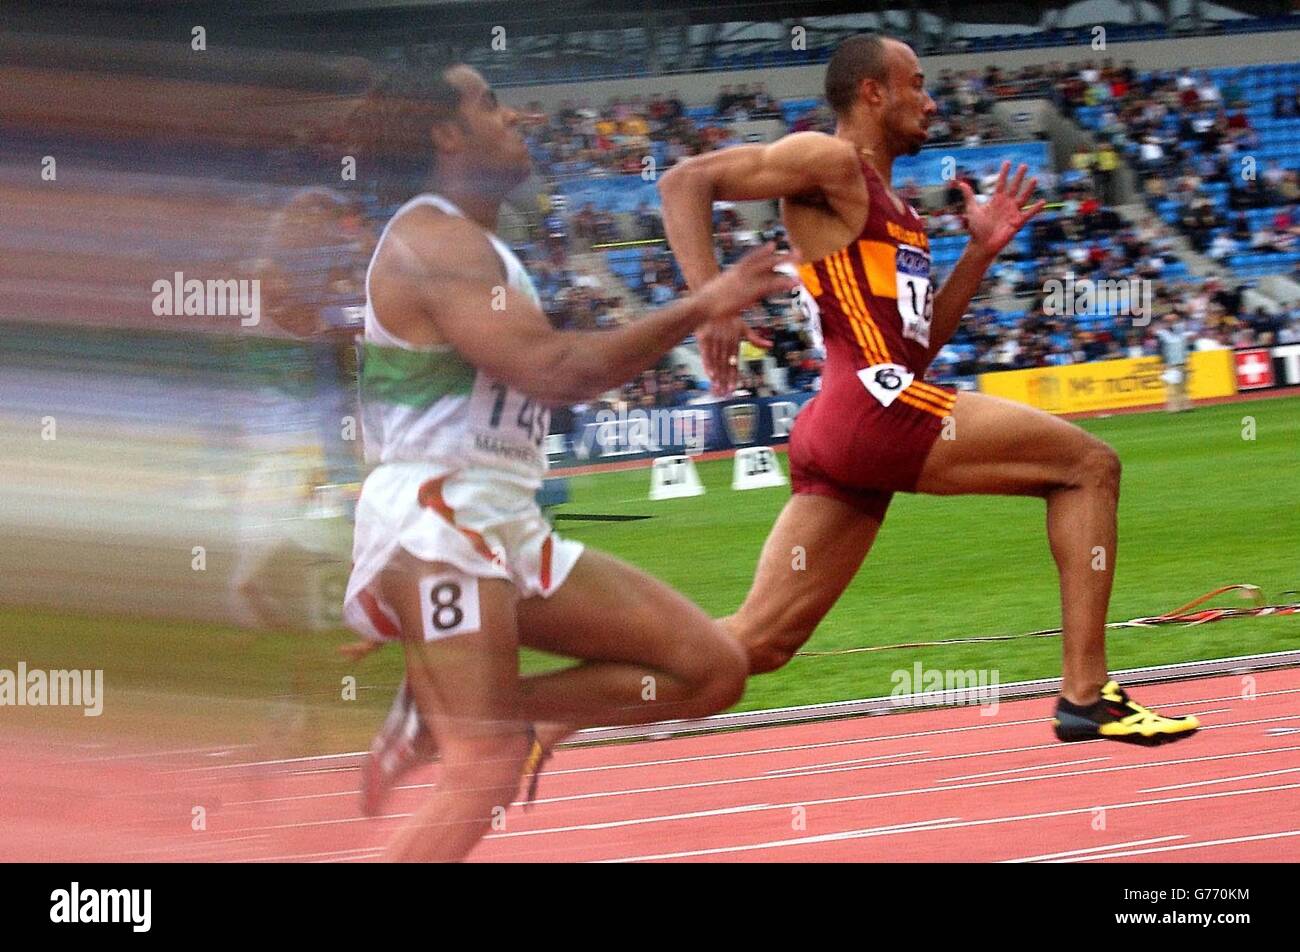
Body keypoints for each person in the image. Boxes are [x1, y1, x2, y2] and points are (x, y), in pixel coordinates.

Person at [658, 34, 1199, 745]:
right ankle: (1086, 695)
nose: (931, 100)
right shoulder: (830, 159)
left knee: (759, 644)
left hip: (851, 422)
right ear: (873, 93)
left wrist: (979, 252)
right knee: (1088, 467)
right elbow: (683, 181)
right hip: (870, 406)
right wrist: (712, 302)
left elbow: (919, 346)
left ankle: (563, 706)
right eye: (916, 83)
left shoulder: (898, 211)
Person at [340, 60, 794, 860]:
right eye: (488, 105)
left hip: (493, 515)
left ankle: (462, 710)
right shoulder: (432, 239)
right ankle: (469, 719)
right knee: (481, 773)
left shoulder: (477, 244)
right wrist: (698, 304)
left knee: (709, 670)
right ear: (446, 134)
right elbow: (559, 372)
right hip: (438, 517)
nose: (513, 116)